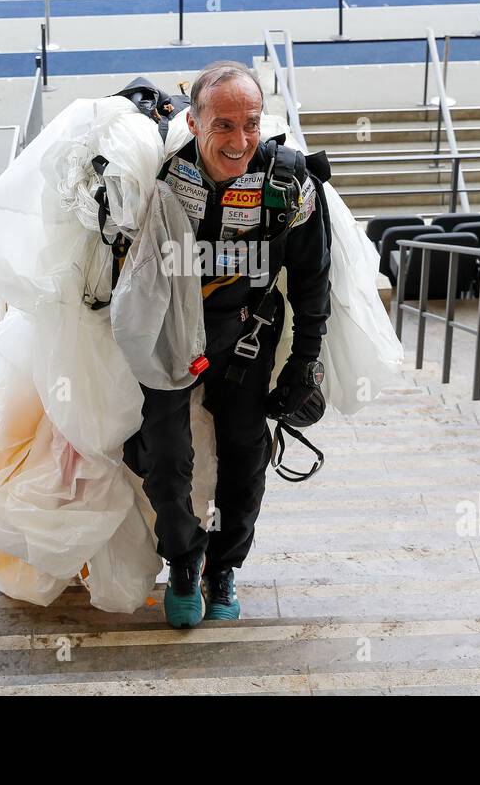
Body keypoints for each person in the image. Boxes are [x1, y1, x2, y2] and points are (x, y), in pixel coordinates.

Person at [121, 60, 332, 628]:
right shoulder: (157, 177)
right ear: (193, 122)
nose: (240, 141)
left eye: (251, 124)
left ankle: (224, 565)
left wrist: (306, 360)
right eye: (224, 126)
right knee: (164, 458)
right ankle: (184, 560)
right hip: (170, 339)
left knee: (245, 454)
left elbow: (313, 279)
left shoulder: (289, 185)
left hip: (246, 337)